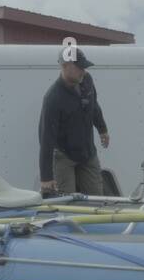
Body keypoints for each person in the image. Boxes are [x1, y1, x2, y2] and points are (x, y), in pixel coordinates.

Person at [38, 48, 109, 195]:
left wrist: (102, 129)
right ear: (65, 66)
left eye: (84, 67)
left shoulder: (87, 80)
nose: (83, 71)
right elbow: (46, 139)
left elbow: (94, 105)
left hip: (87, 152)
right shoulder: (53, 98)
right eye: (79, 67)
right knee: (66, 201)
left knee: (98, 198)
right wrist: (46, 177)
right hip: (64, 156)